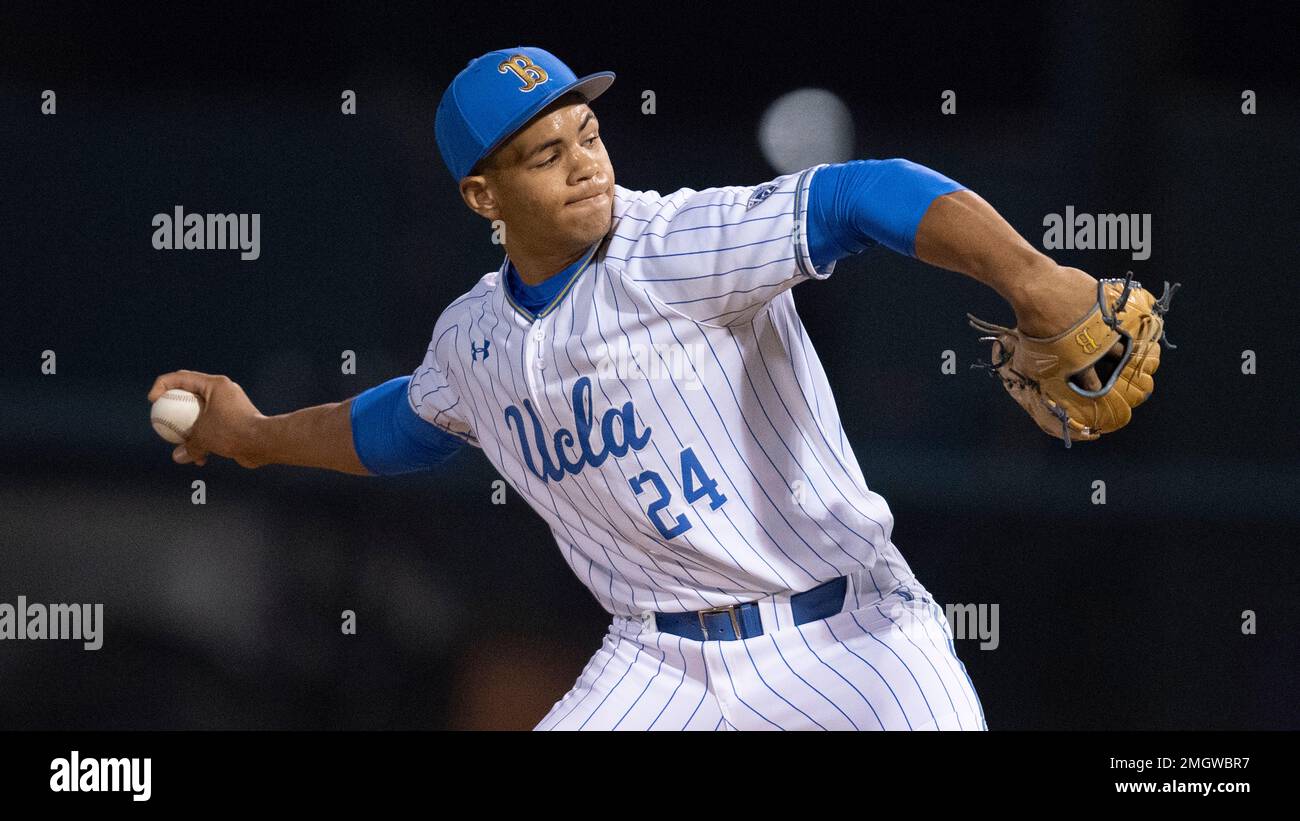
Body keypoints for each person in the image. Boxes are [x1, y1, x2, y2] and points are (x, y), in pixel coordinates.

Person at [149, 46, 1111, 731]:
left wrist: (1028, 276)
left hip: (850, 636)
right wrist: (255, 433)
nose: (585, 163)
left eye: (588, 132)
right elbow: (399, 424)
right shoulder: (474, 338)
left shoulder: (676, 245)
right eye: (544, 152)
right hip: (660, 661)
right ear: (483, 197)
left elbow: (859, 194)